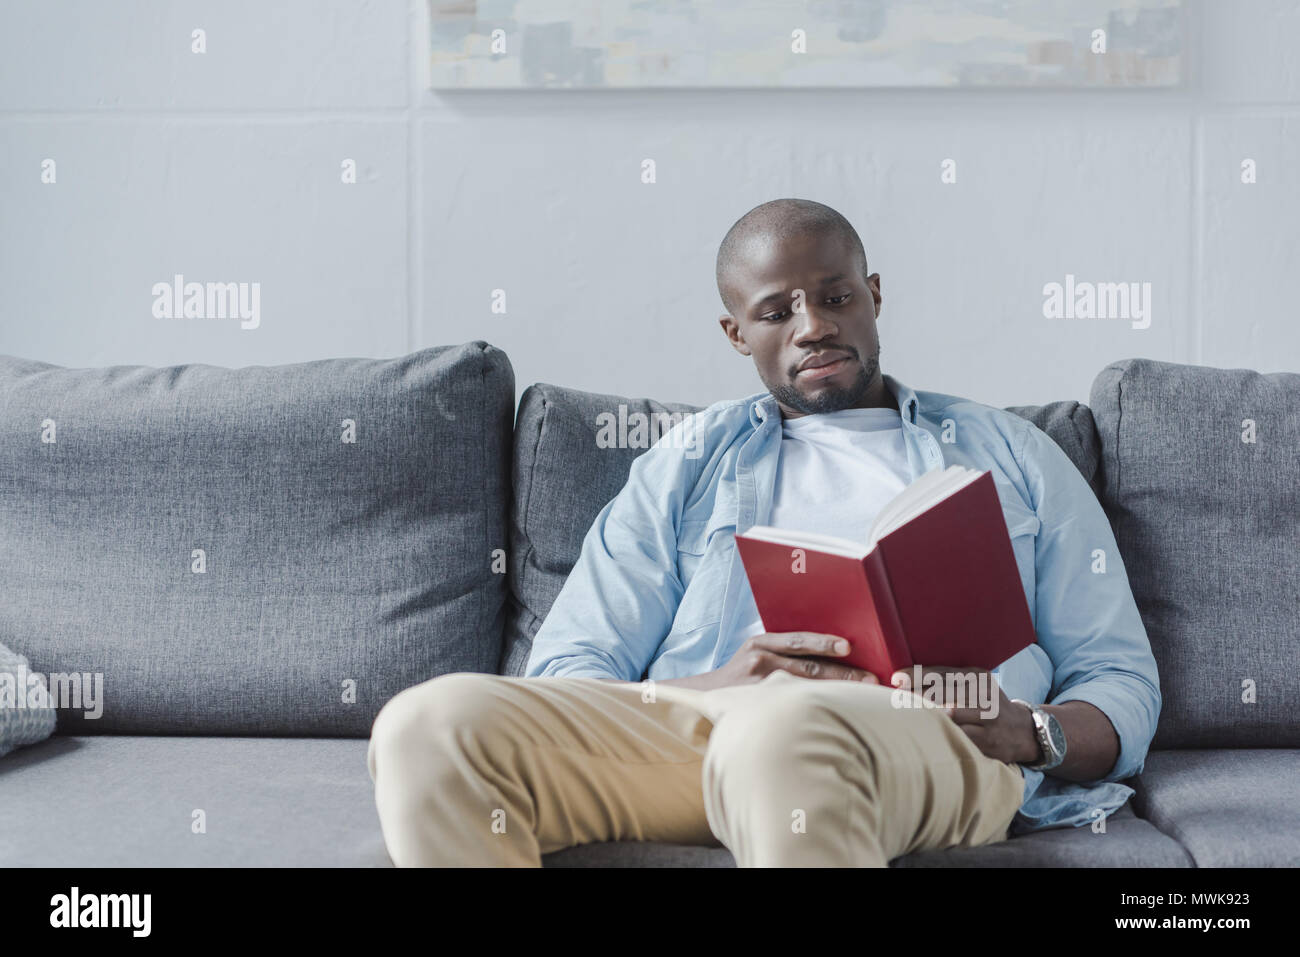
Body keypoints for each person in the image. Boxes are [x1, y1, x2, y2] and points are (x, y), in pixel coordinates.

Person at [367, 198, 1161, 867]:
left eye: (836, 296)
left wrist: (1030, 730)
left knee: (786, 731)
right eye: (777, 312)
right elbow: (570, 668)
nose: (812, 325)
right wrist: (714, 687)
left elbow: (1119, 679)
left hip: (937, 742)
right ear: (736, 334)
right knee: (426, 726)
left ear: (875, 295)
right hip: (703, 735)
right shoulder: (684, 463)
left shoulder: (1014, 454)